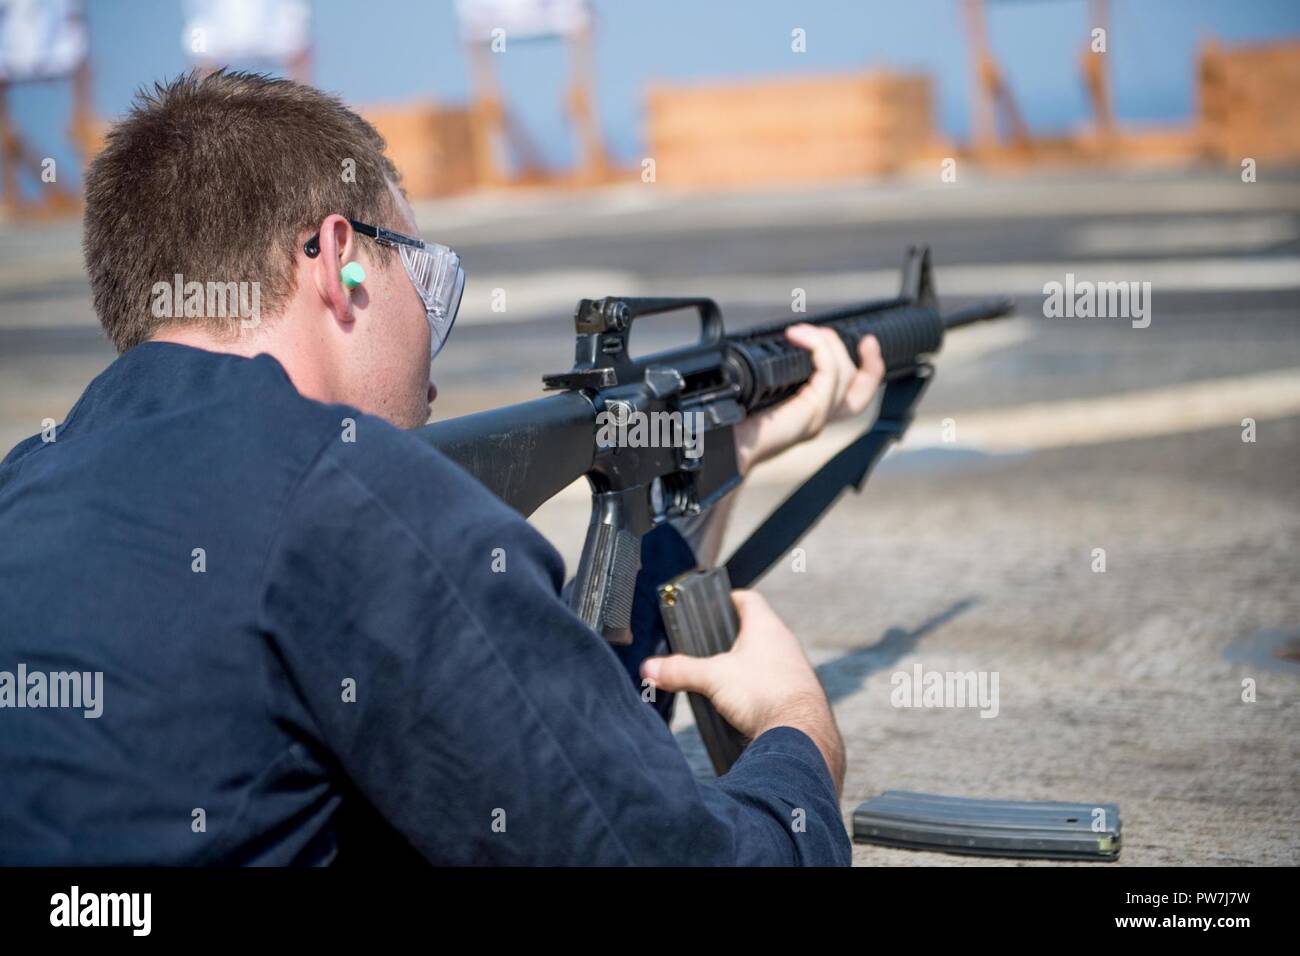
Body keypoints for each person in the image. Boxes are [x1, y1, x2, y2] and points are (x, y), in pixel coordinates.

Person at [0, 71, 884, 865]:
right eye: (428, 280)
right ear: (341, 264)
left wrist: (720, 458)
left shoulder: (27, 486)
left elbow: (527, 747)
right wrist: (795, 734)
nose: (434, 353)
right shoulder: (349, 495)